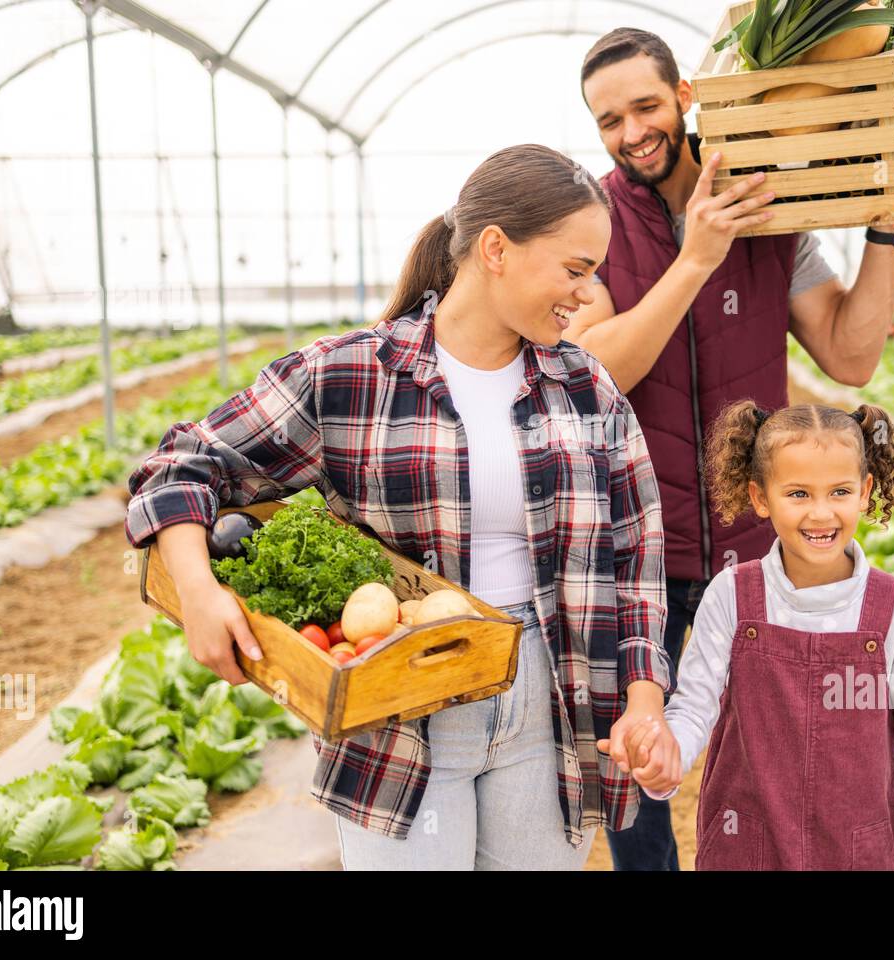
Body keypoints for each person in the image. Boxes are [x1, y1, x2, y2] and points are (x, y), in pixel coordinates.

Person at [124, 143, 672, 870]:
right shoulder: (348, 374)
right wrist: (197, 591)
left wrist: (643, 698)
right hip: (398, 709)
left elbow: (636, 556)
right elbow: (178, 467)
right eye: (575, 269)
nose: (586, 292)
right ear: (496, 249)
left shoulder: (586, 388)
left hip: (549, 703)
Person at [574, 26, 894, 871]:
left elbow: (850, 355)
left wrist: (887, 231)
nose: (632, 131)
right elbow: (595, 370)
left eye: (645, 106)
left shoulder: (773, 208)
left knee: (778, 779)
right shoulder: (592, 225)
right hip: (638, 557)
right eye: (608, 120)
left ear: (686, 98)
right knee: (639, 789)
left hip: (757, 562)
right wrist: (697, 258)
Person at [608, 399, 894, 870]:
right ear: (760, 497)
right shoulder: (732, 596)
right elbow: (694, 708)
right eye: (798, 494)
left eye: (839, 492)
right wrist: (663, 760)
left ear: (865, 492)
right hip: (744, 852)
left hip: (857, 856)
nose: (821, 514)